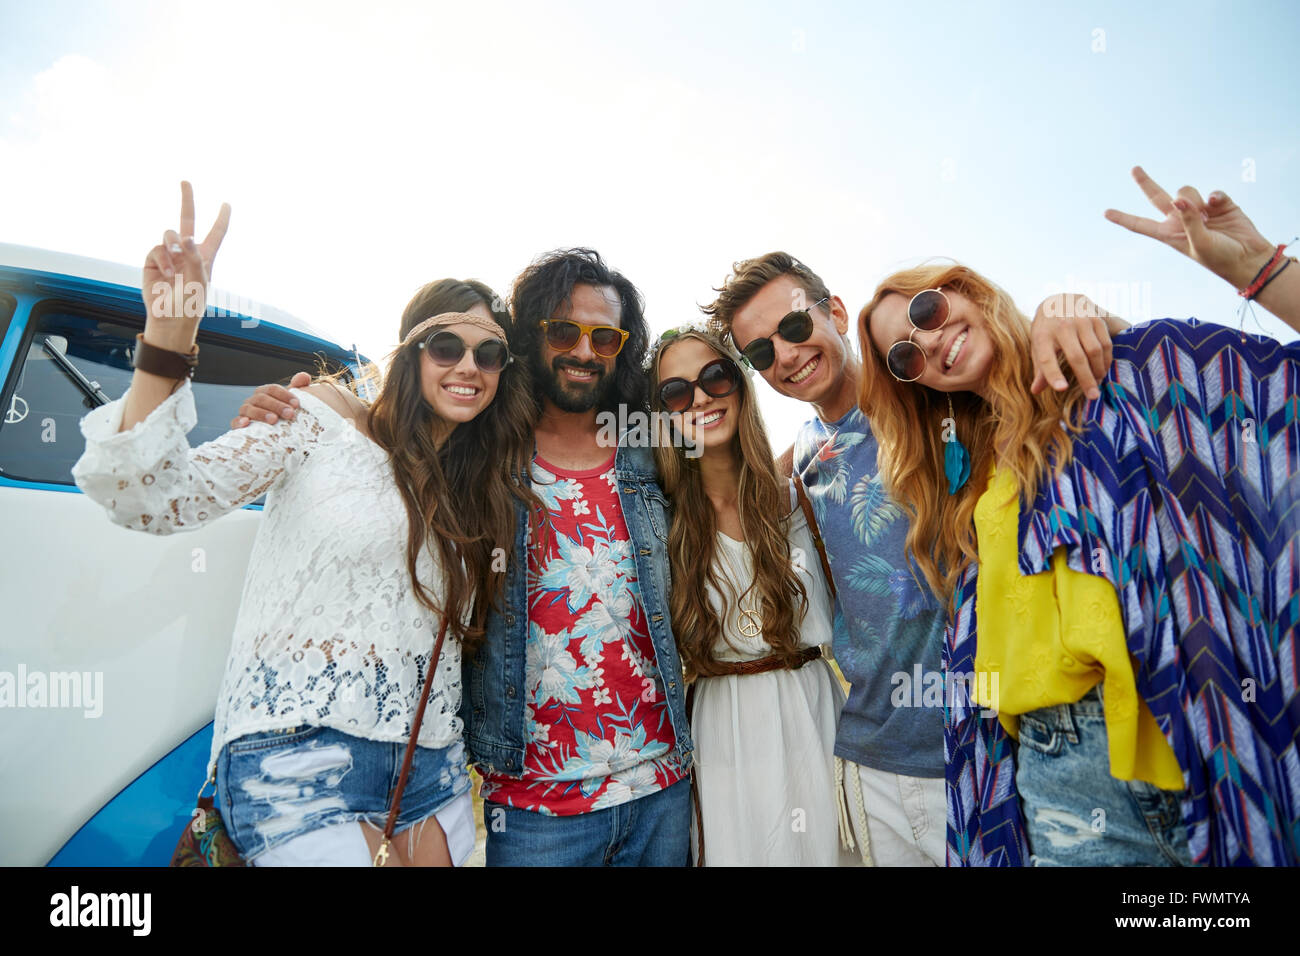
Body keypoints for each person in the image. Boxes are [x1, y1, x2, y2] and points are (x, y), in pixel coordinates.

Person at [72, 183, 537, 866]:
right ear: (408, 354)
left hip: (429, 769)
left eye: (489, 353)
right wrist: (169, 339)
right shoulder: (314, 420)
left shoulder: (475, 486)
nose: (469, 365)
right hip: (294, 755)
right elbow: (156, 496)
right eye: (446, 345)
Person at [858, 167, 1300, 866]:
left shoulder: (1123, 376)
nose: (930, 344)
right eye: (906, 358)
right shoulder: (967, 483)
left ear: (965, 289)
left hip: (1201, 733)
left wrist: (1257, 267)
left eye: (925, 312)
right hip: (1061, 778)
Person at [235, 247, 694, 866]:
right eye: (564, 331)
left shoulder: (647, 446)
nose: (585, 352)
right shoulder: (481, 452)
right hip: (534, 806)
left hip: (661, 787)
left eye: (605, 338)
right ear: (527, 339)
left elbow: (727, 478)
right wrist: (324, 398)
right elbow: (388, 431)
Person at [702, 254, 1110, 866]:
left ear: (835, 312)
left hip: (983, 743)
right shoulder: (801, 465)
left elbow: (1023, 363)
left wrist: (1065, 307)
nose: (785, 357)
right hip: (872, 761)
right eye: (760, 353)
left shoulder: (931, 396)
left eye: (792, 328)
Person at [649, 325, 851, 866]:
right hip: (724, 733)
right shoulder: (659, 522)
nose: (700, 398)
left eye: (715, 377)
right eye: (676, 391)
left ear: (740, 385)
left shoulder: (804, 495)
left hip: (817, 717)